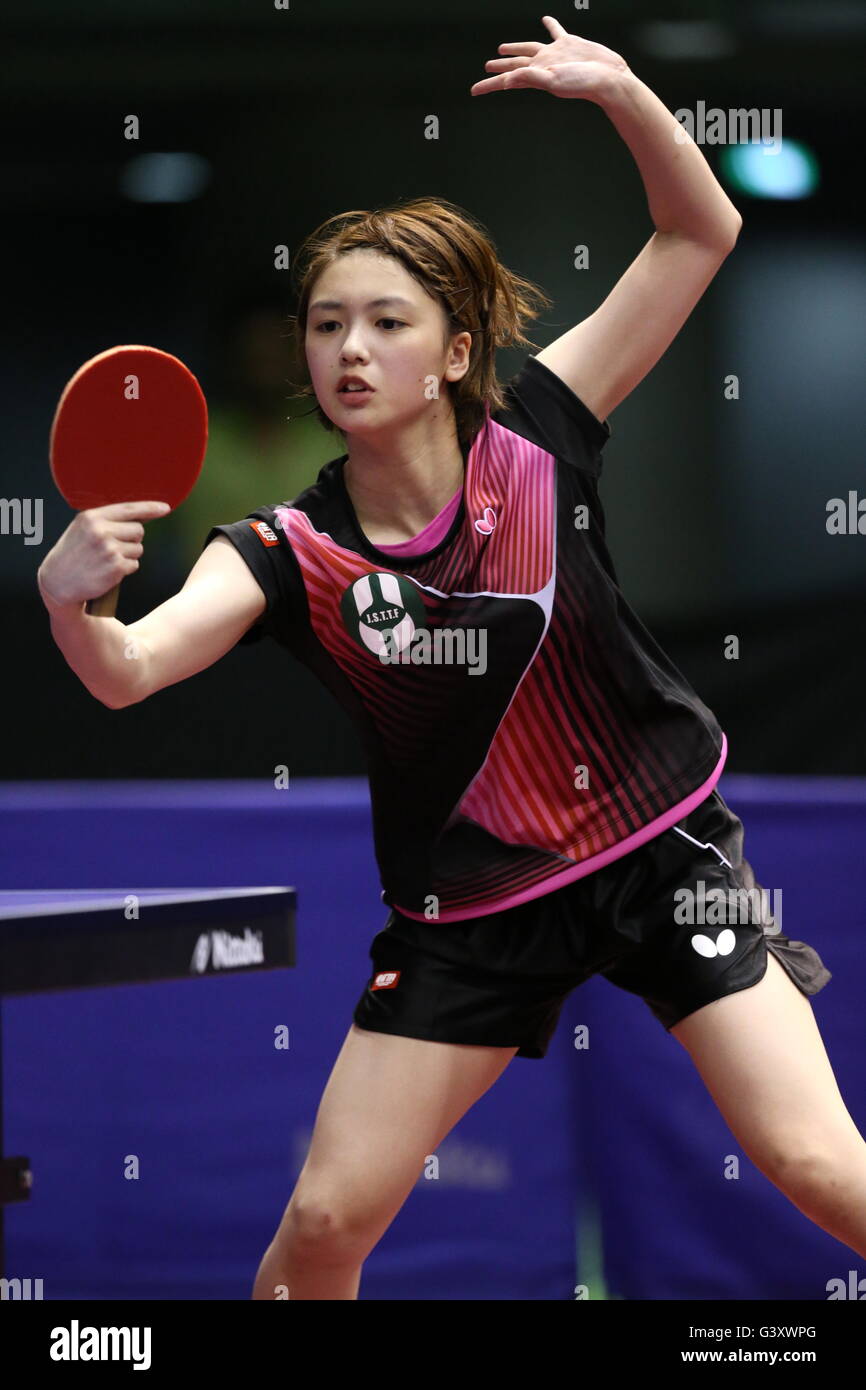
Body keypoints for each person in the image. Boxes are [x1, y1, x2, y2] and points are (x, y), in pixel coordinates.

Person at [37, 17, 865, 1302]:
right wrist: (69, 607)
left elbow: (699, 232)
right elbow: (128, 670)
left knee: (816, 1162)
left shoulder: (540, 427)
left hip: (657, 850)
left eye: (384, 321)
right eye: (325, 326)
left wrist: (625, 91)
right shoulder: (283, 550)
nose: (348, 349)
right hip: (471, 915)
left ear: (457, 351)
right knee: (319, 1226)